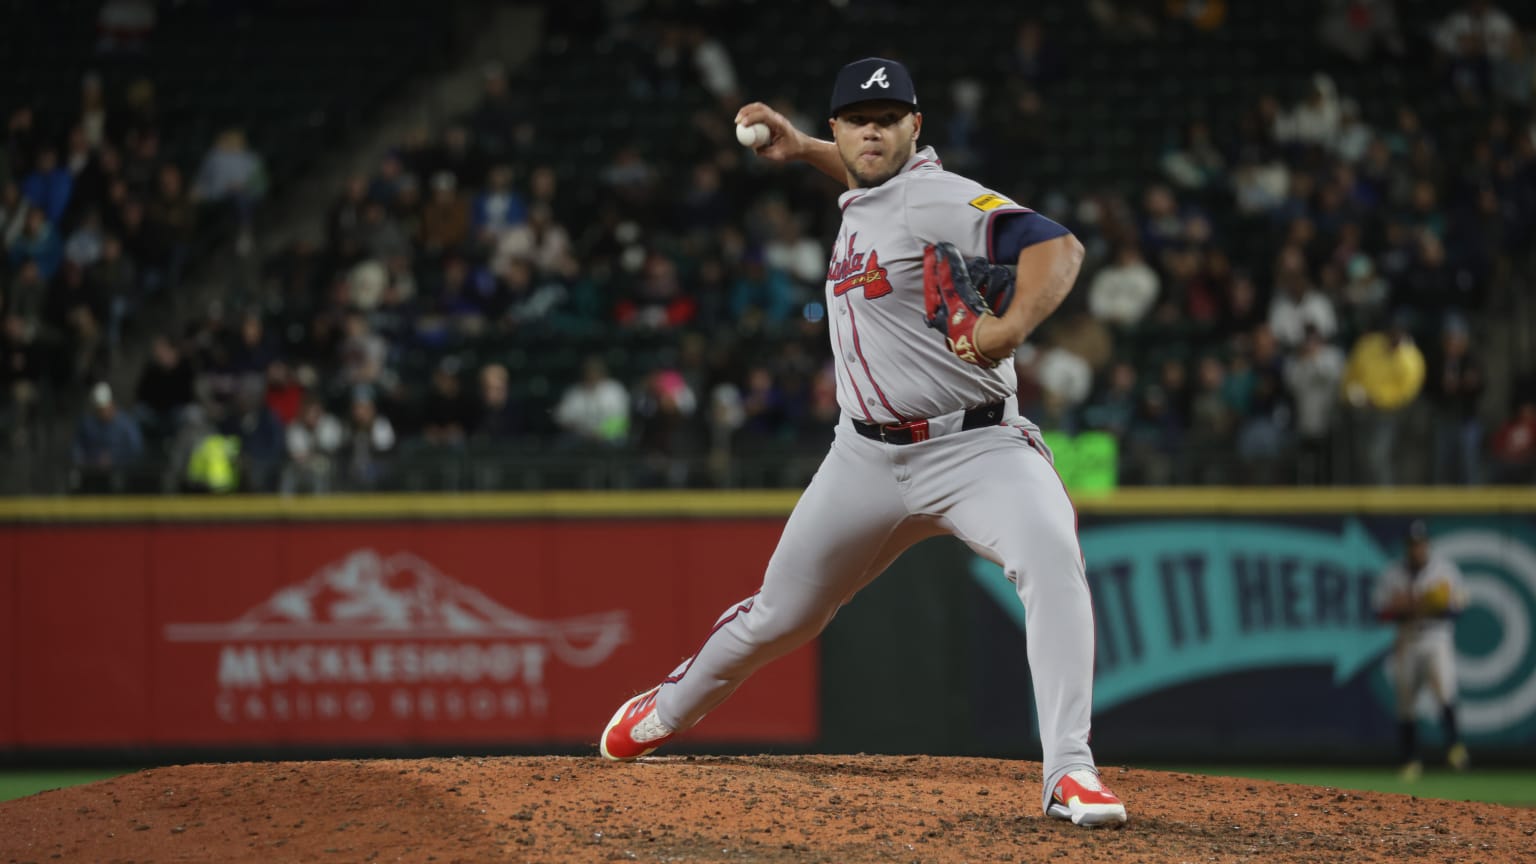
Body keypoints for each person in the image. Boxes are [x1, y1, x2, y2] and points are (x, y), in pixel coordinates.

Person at [598, 58, 1126, 827]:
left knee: (1050, 555)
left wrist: (1011, 328)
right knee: (781, 617)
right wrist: (803, 145)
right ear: (841, 127)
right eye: (856, 119)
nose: (871, 130)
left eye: (888, 118)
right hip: (865, 459)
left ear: (919, 126)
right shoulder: (867, 191)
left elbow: (1058, 247)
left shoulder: (934, 194)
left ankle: (1069, 771)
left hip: (977, 450)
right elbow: (867, 176)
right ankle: (669, 708)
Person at [1372, 520, 1470, 780]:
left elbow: (1457, 608)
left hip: (1436, 637)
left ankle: (1454, 747)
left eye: (1420, 543)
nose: (1416, 549)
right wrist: (1400, 609)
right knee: (1405, 702)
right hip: (1406, 639)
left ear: (1426, 545)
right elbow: (1379, 612)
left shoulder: (1444, 571)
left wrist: (1427, 605)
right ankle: (1409, 759)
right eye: (1412, 544)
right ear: (1407, 546)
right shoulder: (1393, 573)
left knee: (1445, 689)